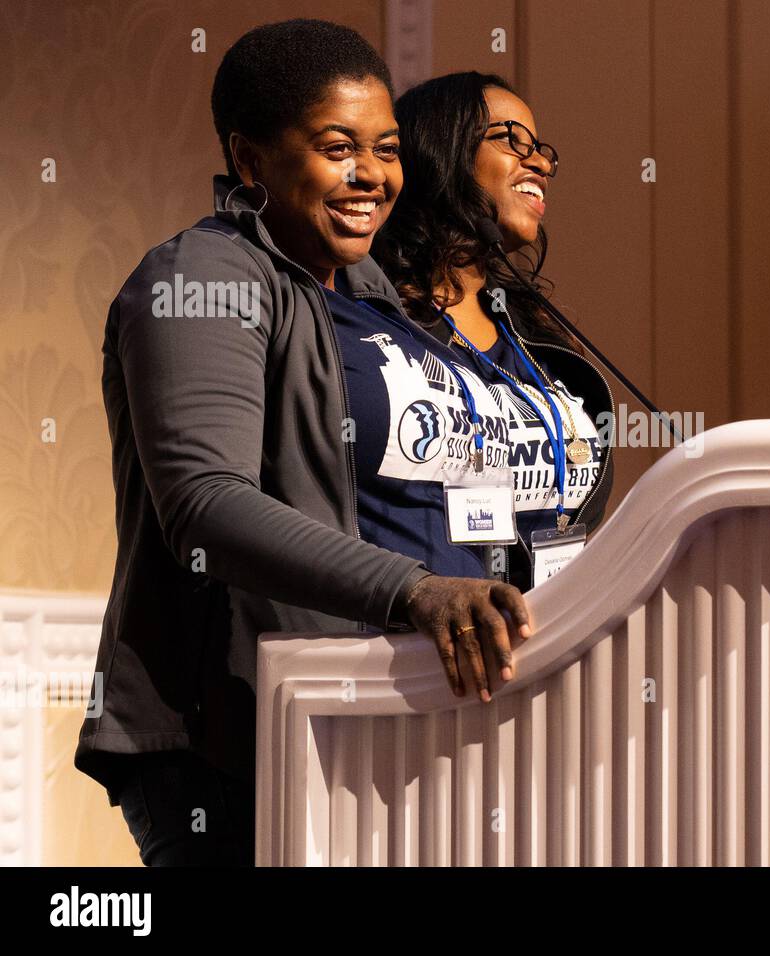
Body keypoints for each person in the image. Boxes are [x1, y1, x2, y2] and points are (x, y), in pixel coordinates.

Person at [75, 20, 528, 867]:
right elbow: (205, 506)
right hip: (225, 738)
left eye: (387, 149)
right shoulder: (197, 279)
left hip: (362, 718)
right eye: (337, 147)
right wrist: (416, 590)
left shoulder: (371, 294)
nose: (373, 176)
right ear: (251, 162)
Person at [372, 73, 615, 594]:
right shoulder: (371, 321)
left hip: (550, 636)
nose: (542, 164)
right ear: (441, 151)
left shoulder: (536, 339)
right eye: (511, 140)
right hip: (408, 650)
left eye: (543, 150)